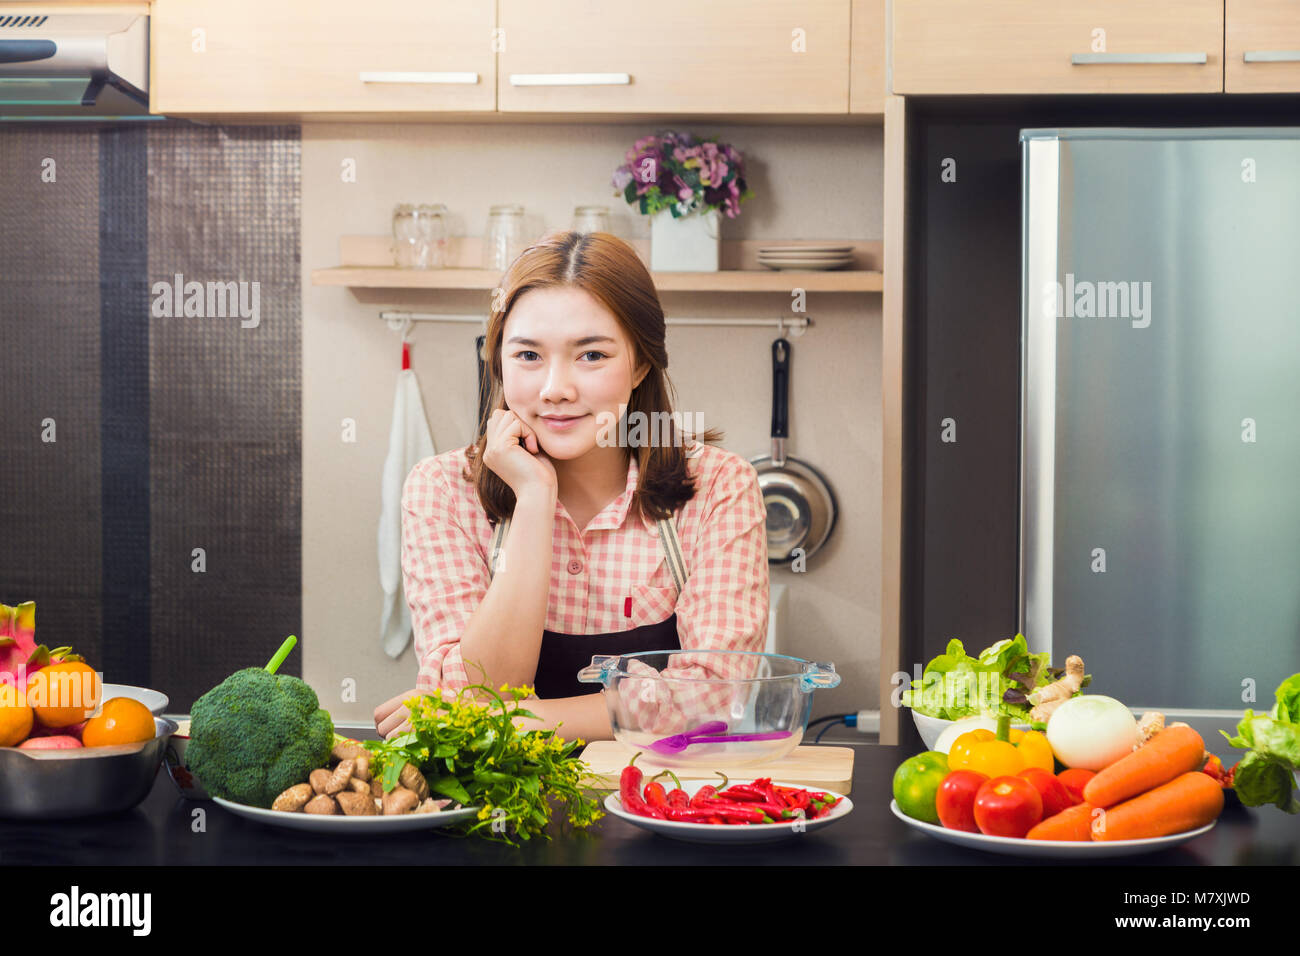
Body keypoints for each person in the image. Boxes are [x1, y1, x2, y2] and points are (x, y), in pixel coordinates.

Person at [373, 230, 770, 742]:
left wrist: (495, 720)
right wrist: (535, 501)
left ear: (640, 364)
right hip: (497, 816)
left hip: (663, 805)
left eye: (591, 356)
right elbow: (480, 689)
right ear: (498, 363)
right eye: (528, 356)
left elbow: (715, 697)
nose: (556, 389)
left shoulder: (718, 487)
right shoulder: (444, 490)